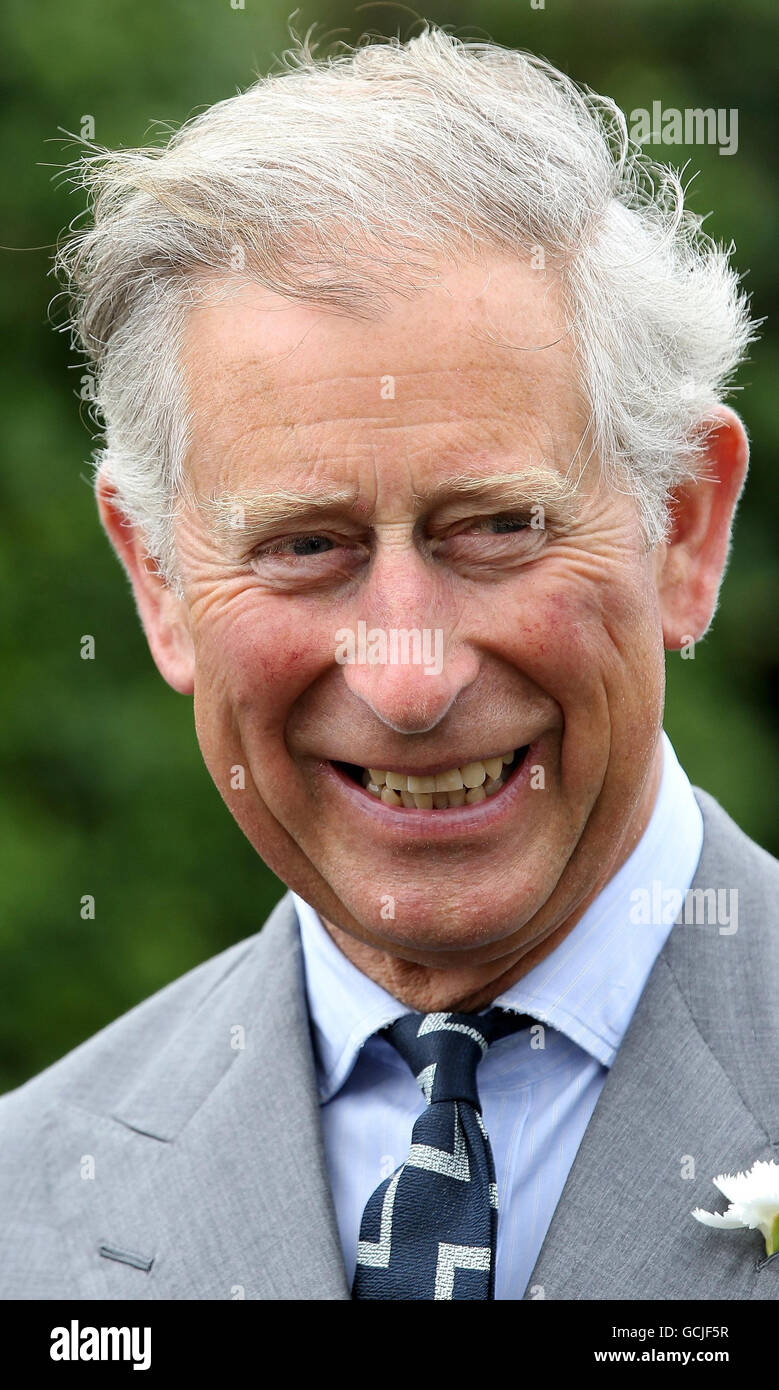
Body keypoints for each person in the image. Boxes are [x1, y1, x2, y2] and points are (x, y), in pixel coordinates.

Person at [1, 25, 776, 1301]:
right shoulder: (26, 1214)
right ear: (157, 581)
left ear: (682, 526)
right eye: (306, 545)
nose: (406, 682)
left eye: (496, 527)